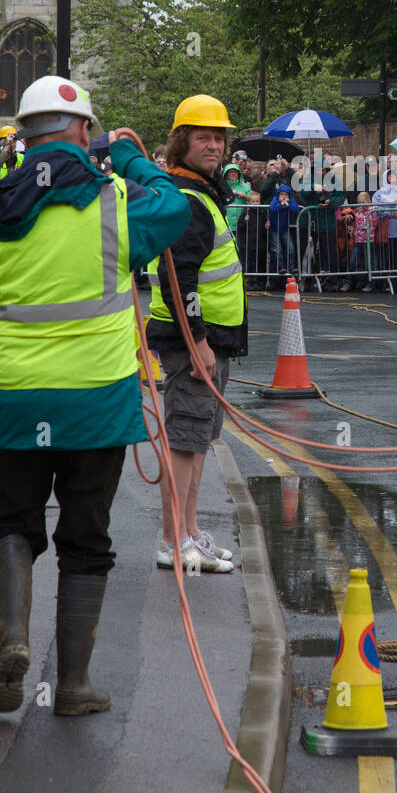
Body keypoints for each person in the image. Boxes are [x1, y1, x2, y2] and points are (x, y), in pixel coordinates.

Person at [0, 75, 190, 716]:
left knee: (11, 521)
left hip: (16, 398)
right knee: (86, 539)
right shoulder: (117, 199)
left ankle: (13, 638)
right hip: (95, 398)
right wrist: (134, 156)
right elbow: (176, 208)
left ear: (23, 136)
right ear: (82, 132)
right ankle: (73, 686)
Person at [145, 95, 247, 574]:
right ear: (181, 141)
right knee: (184, 442)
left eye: (219, 136)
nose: (214, 144)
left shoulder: (202, 191)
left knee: (198, 440)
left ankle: (188, 532)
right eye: (203, 136)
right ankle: (172, 539)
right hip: (193, 345)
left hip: (209, 341)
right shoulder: (187, 198)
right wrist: (198, 342)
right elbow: (178, 278)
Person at [268, 183, 300, 284]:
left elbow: (296, 209)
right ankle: (282, 267)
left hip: (285, 228)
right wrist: (281, 204)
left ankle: (291, 266)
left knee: (290, 247)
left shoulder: (291, 200)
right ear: (278, 194)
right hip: (274, 228)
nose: (284, 196)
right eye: (282, 194)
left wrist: (289, 204)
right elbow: (273, 209)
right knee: (277, 248)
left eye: (286, 194)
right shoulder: (275, 200)